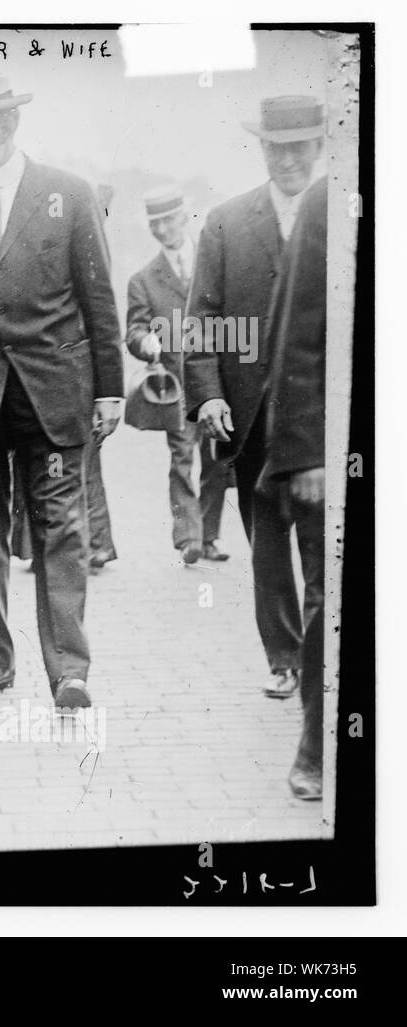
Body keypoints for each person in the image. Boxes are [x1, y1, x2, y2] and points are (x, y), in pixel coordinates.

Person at [0, 79, 124, 711]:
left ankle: (69, 669)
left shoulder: (68, 193)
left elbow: (98, 299)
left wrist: (111, 390)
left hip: (55, 393)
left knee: (61, 528)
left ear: (4, 127)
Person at [184, 96, 326, 700]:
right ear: (261, 148)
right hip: (250, 421)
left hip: (322, 422)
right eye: (276, 147)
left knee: (323, 548)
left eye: (299, 146)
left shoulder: (345, 215)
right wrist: (209, 397)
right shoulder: (225, 222)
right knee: (268, 551)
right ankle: (285, 658)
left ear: (318, 148)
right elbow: (202, 322)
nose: (288, 158)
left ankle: (323, 662)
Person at [262, 175, 328, 799]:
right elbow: (301, 337)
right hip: (334, 452)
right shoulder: (330, 200)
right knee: (329, 600)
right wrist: (307, 453)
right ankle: (317, 743)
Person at [126, 183, 232, 565]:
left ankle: (209, 535)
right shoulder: (142, 280)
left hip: (216, 382)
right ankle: (189, 536)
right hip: (174, 387)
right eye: (155, 223)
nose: (163, 229)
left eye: (168, 220)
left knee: (218, 458)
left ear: (183, 216)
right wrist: (145, 343)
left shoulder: (214, 262)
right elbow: (134, 330)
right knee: (182, 458)